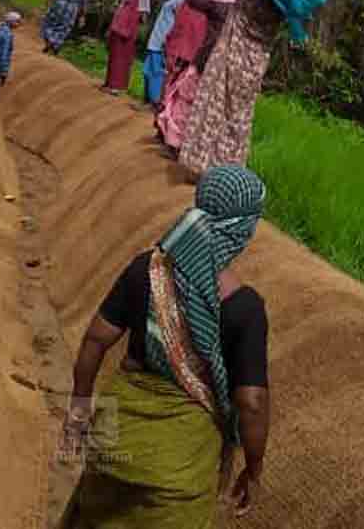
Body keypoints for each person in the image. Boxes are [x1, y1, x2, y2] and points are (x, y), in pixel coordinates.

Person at [60, 165, 271, 528]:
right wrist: (253, 468)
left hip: (114, 439)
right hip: (177, 467)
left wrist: (79, 412)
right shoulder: (243, 307)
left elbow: (95, 340)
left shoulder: (146, 269)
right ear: (242, 229)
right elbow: (251, 402)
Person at [176, 0, 329, 181]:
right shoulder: (290, 4)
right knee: (238, 113)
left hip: (237, 44)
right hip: (255, 57)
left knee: (216, 98)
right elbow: (309, 8)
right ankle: (225, 171)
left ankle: (202, 163)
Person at [154, 0, 231, 152]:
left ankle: (176, 143)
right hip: (198, 51)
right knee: (175, 92)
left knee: (184, 97)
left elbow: (194, 3)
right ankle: (167, 134)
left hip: (202, 53)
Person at [101, 0, 154, 95]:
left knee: (123, 55)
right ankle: (109, 82)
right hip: (120, 22)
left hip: (129, 24)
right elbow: (123, 3)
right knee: (114, 52)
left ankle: (117, 86)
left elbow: (144, 10)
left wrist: (137, 27)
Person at [141, 0, 190, 113]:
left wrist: (168, 41)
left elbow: (179, 23)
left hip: (163, 41)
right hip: (156, 39)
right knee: (148, 70)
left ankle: (154, 103)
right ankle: (148, 100)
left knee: (156, 72)